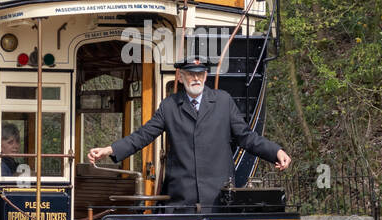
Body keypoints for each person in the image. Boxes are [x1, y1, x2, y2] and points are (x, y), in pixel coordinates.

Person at [87, 55, 292, 209]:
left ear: (205, 75)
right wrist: (109, 150)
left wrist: (275, 151)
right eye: (190, 74)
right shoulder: (169, 106)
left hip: (218, 199)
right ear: (180, 76)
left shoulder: (223, 101)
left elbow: (246, 137)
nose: (196, 78)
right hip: (181, 199)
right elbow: (143, 135)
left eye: (199, 74)